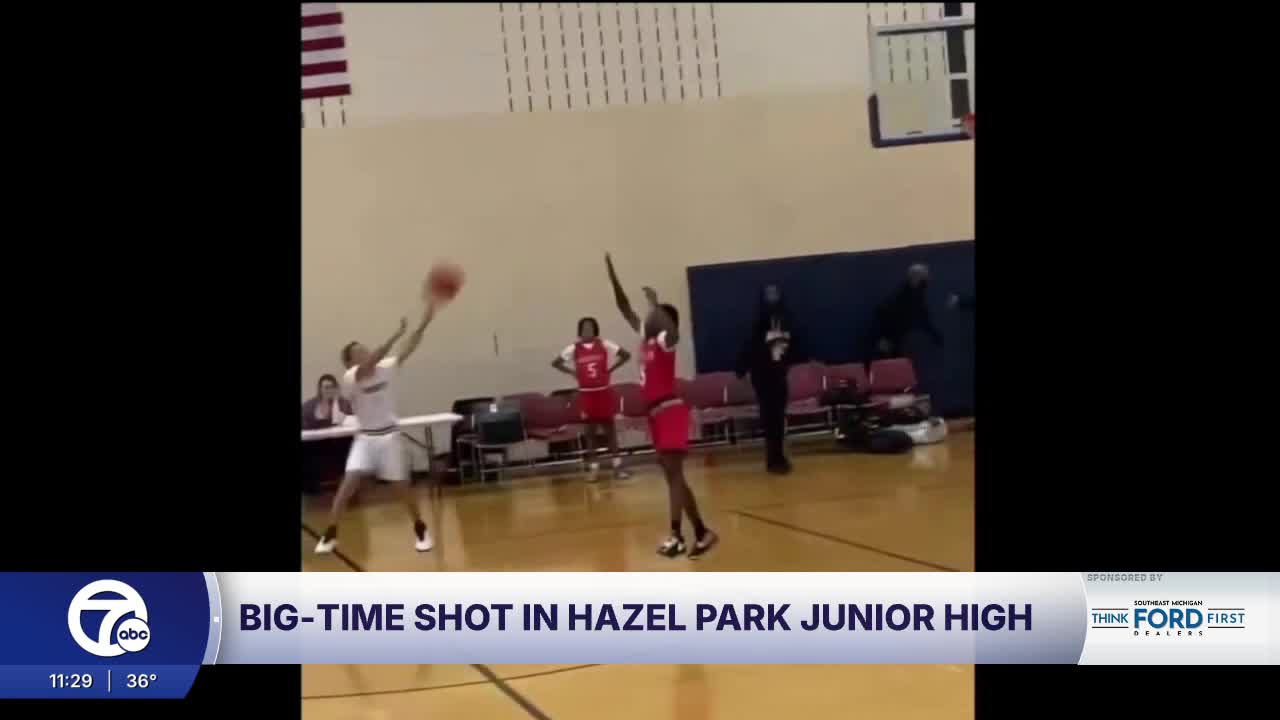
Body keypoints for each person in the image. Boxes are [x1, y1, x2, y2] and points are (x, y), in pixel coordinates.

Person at [605, 253, 718, 559]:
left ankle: (676, 535)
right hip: (654, 415)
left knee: (674, 476)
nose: (648, 319)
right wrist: (612, 274)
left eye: (654, 317)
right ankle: (703, 532)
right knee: (674, 478)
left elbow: (674, 330)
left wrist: (657, 305)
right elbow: (624, 307)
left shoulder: (666, 342)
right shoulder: (646, 342)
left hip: (670, 410)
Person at [314, 299, 441, 555]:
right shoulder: (351, 378)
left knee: (401, 489)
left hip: (389, 437)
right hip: (366, 439)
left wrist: (425, 321)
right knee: (347, 485)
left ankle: (420, 528)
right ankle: (331, 533)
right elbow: (371, 362)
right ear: (350, 362)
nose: (365, 353)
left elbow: (410, 346)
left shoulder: (386, 368)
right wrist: (395, 333)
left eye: (365, 349)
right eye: (358, 352)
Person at [551, 317, 632, 481]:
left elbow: (626, 355)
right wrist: (571, 372)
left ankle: (617, 467)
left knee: (610, 431)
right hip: (587, 394)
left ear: (595, 329)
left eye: (590, 327)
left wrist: (611, 369)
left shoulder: (604, 344)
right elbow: (556, 362)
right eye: (584, 327)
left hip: (603, 392)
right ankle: (594, 468)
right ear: (580, 330)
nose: (587, 330)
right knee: (590, 433)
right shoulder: (574, 348)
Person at [736, 285, 801, 475]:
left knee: (778, 418)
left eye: (775, 294)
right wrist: (743, 368)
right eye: (769, 294)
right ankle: (773, 459)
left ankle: (779, 457)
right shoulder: (758, 323)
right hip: (763, 376)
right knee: (770, 418)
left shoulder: (788, 321)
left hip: (779, 374)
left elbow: (792, 348)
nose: (773, 298)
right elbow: (749, 348)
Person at [873, 263, 942, 358]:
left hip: (897, 336)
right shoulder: (903, 296)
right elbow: (883, 313)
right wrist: (884, 336)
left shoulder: (915, 293)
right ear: (916, 278)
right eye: (924, 278)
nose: (927, 281)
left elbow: (923, 316)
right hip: (890, 335)